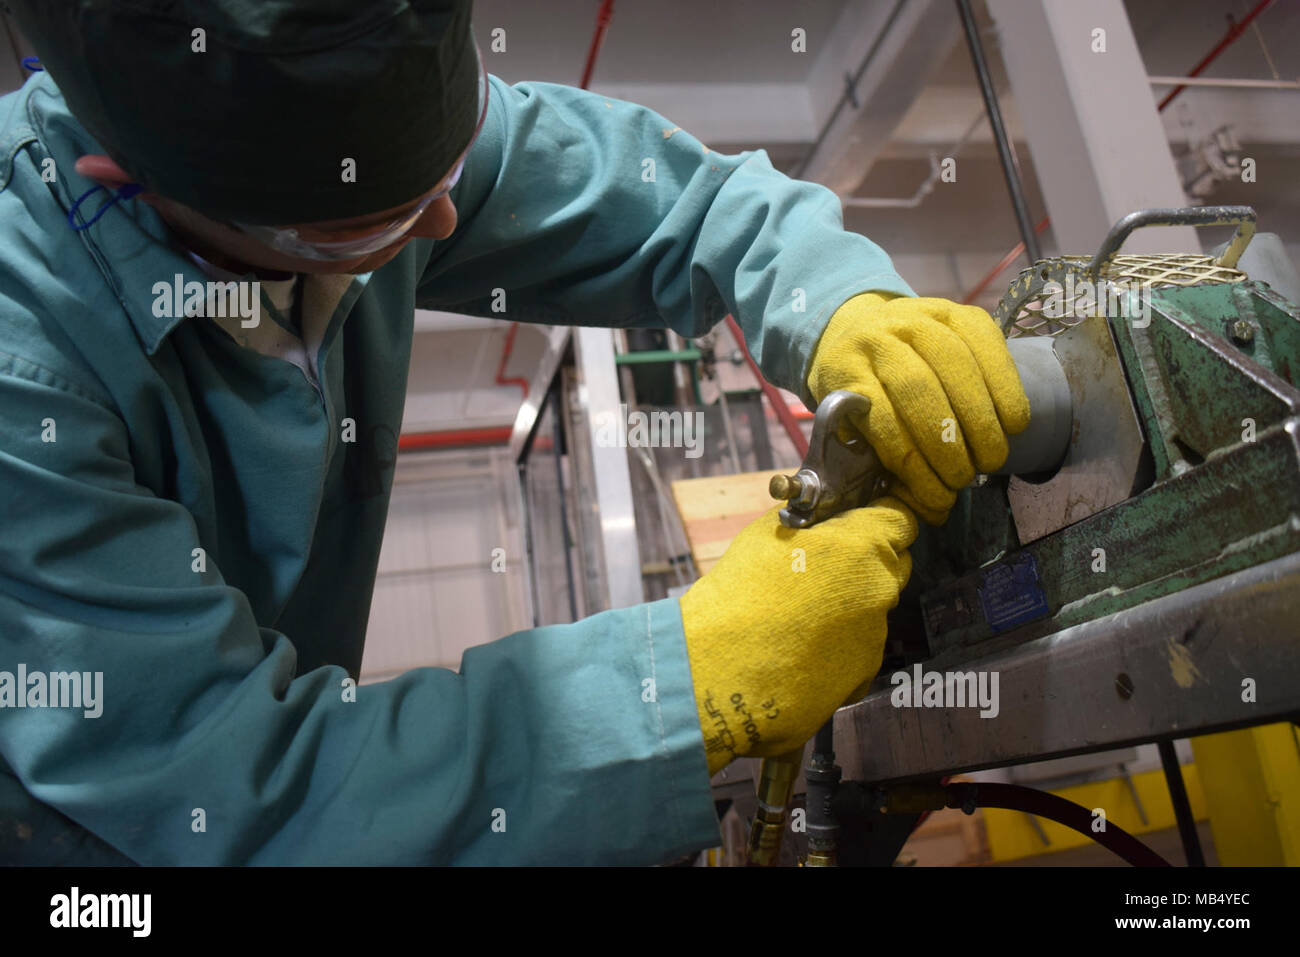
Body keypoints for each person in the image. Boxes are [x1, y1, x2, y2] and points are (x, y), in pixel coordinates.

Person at [0, 0, 1028, 864]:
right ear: (116, 171)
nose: (441, 230)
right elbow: (237, 789)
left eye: (447, 172)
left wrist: (844, 305)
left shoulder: (349, 164)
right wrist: (680, 680)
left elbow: (695, 207)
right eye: (359, 230)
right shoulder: (26, 364)